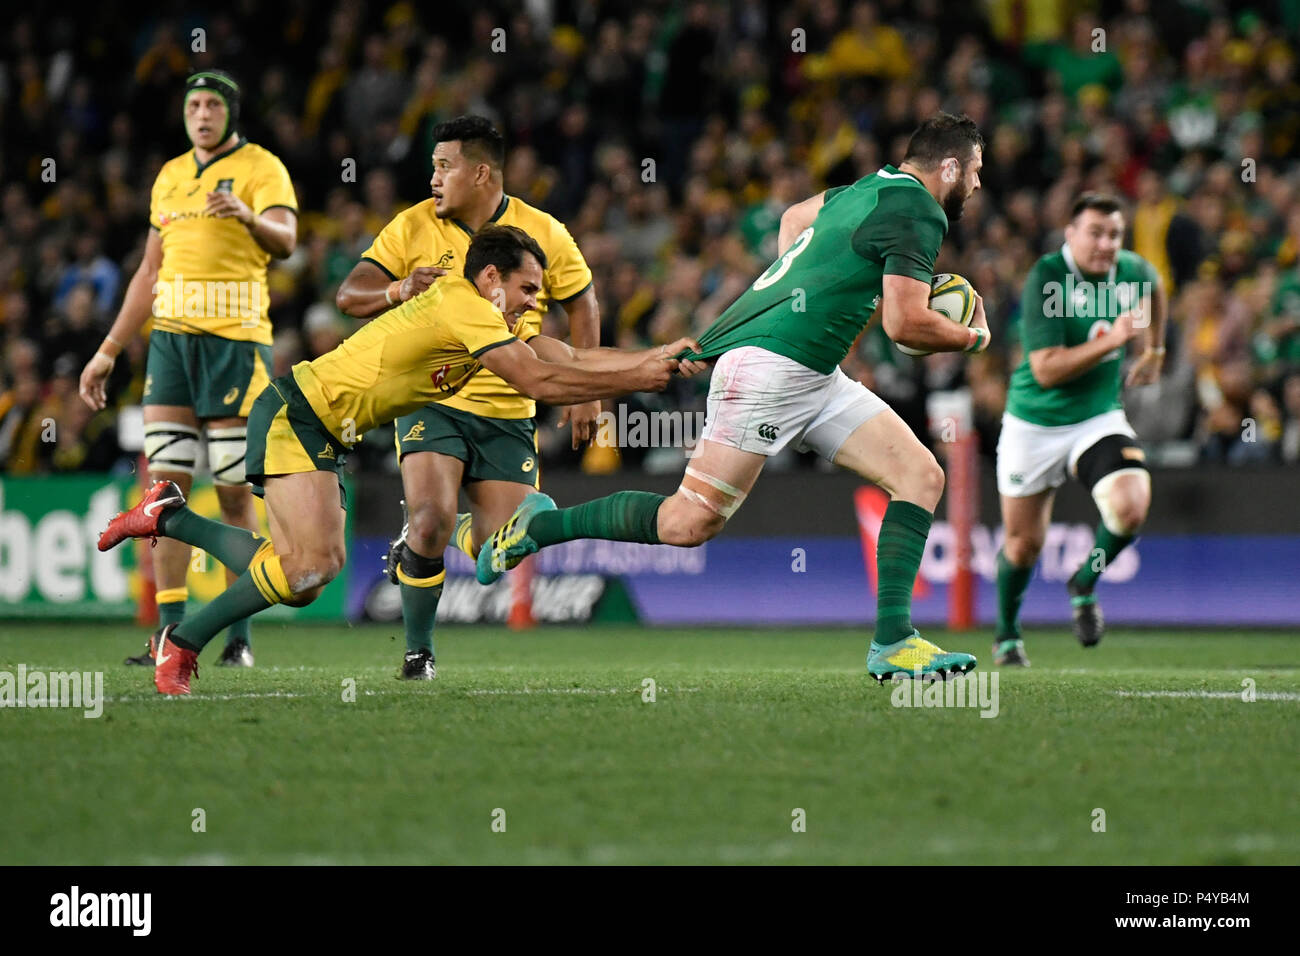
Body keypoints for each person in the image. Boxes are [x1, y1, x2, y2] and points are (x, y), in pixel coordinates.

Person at [477, 113, 991, 684]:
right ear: (950, 166)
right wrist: (972, 336)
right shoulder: (921, 209)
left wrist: (807, 294)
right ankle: (539, 527)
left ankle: (894, 644)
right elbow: (904, 324)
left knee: (921, 476)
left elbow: (797, 218)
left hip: (816, 372)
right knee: (685, 524)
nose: (975, 185)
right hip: (771, 371)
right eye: (974, 171)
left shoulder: (867, 188)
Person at [97, 225, 693, 695]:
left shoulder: (486, 317)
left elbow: (567, 357)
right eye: (528, 290)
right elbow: (538, 379)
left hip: (324, 430)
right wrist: (643, 375)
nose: (534, 303)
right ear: (490, 277)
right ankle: (184, 642)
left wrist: (657, 355)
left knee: (299, 575)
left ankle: (169, 515)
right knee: (309, 569)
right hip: (296, 415)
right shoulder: (463, 306)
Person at [335, 115, 601, 679]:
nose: (432, 178)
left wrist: (588, 393)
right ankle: (418, 652)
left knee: (497, 551)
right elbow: (348, 293)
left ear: (481, 173)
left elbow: (582, 300)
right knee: (430, 519)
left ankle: (439, 532)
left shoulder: (544, 233)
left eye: (444, 167)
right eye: (433, 166)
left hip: (508, 408)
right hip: (432, 397)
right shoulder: (412, 228)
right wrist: (397, 288)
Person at [79, 70, 298, 669]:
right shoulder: (171, 175)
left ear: (230, 113)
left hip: (234, 344)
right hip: (171, 348)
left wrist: (250, 217)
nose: (201, 113)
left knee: (232, 496)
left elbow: (288, 239)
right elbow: (148, 273)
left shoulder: (263, 167)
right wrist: (108, 349)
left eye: (212, 104)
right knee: (162, 496)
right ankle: (168, 635)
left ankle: (239, 637)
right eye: (193, 104)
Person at [993, 193, 1166, 666]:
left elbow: (1154, 288)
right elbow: (1046, 369)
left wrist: (1155, 351)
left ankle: (1084, 581)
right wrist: (1116, 338)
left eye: (1114, 234)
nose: (1106, 243)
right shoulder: (1047, 277)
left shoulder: (1132, 271)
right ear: (1071, 234)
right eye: (1095, 232)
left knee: (1130, 506)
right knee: (1023, 544)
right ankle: (1007, 635)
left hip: (1098, 417)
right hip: (1034, 423)